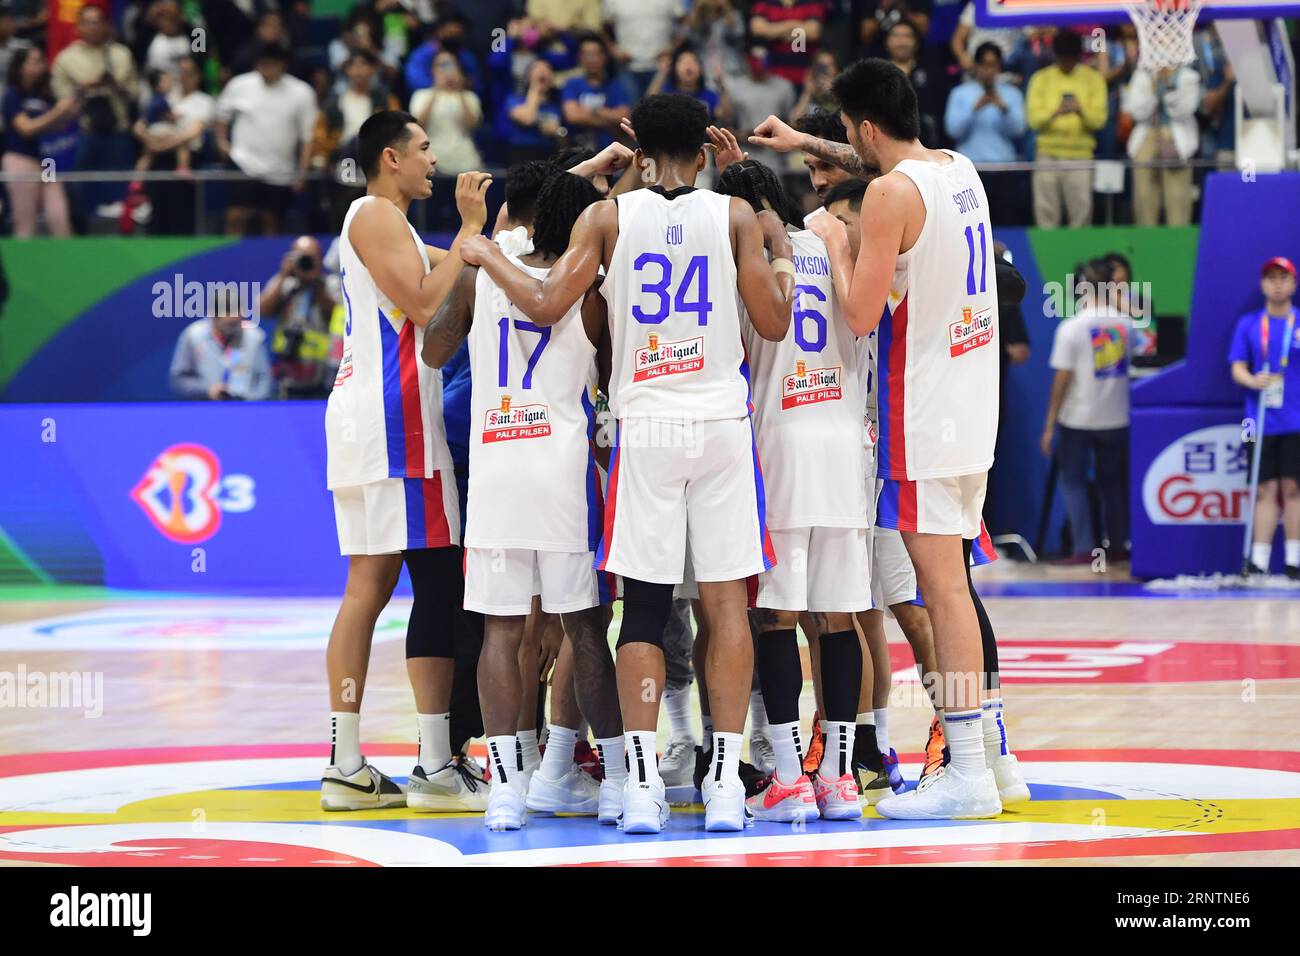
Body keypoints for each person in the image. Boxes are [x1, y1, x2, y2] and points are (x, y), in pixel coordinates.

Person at [459, 93, 797, 833]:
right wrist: (776, 250)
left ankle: (639, 788)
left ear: (638, 150)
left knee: (641, 609)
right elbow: (773, 324)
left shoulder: (608, 218)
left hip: (645, 428)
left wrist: (484, 249)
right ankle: (725, 790)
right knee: (726, 606)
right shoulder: (732, 216)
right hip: (719, 425)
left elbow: (547, 303)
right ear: (706, 154)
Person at [750, 58, 1007, 819]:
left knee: (944, 594)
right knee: (950, 587)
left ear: (863, 127)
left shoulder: (889, 197)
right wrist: (806, 138)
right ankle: (978, 759)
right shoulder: (960, 169)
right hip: (972, 406)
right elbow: (884, 164)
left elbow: (860, 314)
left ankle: (966, 770)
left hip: (922, 414)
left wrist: (830, 239)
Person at [422, 166, 621, 831]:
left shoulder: (482, 274)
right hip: (563, 476)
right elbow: (612, 384)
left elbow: (434, 346)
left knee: (502, 630)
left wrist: (472, 247)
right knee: (584, 629)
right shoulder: (590, 294)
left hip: (497, 469)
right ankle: (620, 780)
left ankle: (508, 786)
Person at [319, 109, 492, 813]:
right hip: (398, 424)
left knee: (371, 586)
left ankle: (346, 765)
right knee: (438, 584)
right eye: (424, 149)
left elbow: (432, 282)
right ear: (390, 157)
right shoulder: (375, 216)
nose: (433, 159)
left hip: (370, 419)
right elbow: (426, 303)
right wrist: (471, 233)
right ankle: (433, 767)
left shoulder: (387, 223)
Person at [715, 159, 868, 823]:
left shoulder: (745, 259)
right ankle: (838, 779)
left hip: (780, 449)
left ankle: (785, 776)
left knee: (776, 618)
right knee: (837, 620)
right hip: (847, 452)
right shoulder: (837, 242)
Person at [1041, 258, 1133, 561]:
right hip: (1117, 417)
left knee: (1074, 483)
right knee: (1114, 484)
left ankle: (1083, 548)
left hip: (1078, 418)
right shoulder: (1126, 325)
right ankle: (1119, 545)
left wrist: (1050, 424)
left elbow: (1061, 379)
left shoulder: (1072, 327)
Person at [1230, 257, 1300, 578]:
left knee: (1293, 488)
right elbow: (1237, 366)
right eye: (1271, 278)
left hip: (1295, 418)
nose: (1277, 284)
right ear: (1262, 284)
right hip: (1254, 420)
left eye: (1283, 278)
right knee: (1262, 488)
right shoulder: (1249, 324)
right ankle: (1258, 560)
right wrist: (1251, 380)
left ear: (1293, 284)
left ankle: (1293, 561)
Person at [215, 42, 317, 236]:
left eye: (270, 64)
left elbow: (307, 136)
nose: (265, 69)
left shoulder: (302, 92)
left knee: (272, 222)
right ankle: (229, 263)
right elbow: (221, 115)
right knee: (235, 217)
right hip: (243, 163)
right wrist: (221, 141)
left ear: (282, 64)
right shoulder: (239, 85)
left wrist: (302, 173)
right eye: (261, 64)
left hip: (280, 170)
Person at [50, 4, 138, 221]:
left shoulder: (120, 54)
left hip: (118, 131)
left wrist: (115, 85)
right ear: (78, 27)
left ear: (106, 25)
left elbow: (135, 96)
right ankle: (81, 236)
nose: (93, 27)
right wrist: (84, 88)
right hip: (83, 132)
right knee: (79, 190)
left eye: (97, 22)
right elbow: (60, 100)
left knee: (121, 192)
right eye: (87, 22)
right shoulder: (66, 58)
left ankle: (124, 237)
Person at [1026, 30, 1107, 228]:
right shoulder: (1040, 79)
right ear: (1055, 55)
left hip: (1081, 157)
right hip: (1047, 155)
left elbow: (1100, 120)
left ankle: (1080, 257)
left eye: (1070, 59)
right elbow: (1033, 120)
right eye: (1062, 59)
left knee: (1082, 215)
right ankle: (1045, 256)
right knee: (1046, 215)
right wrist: (1055, 112)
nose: (1066, 63)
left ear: (1078, 56)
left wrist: (1081, 110)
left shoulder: (1093, 78)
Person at [944, 42, 1026, 224]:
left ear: (999, 66)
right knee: (971, 224)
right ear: (976, 65)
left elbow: (1019, 130)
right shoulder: (960, 93)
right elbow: (953, 131)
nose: (988, 70)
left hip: (1004, 168)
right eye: (984, 64)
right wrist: (974, 109)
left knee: (1005, 223)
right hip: (970, 170)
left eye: (993, 65)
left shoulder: (1012, 94)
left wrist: (1004, 109)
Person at [2, 46, 75, 237]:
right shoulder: (12, 95)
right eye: (34, 61)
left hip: (47, 161)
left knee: (58, 214)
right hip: (20, 159)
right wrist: (57, 113)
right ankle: (22, 264)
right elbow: (25, 129)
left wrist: (68, 111)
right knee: (25, 220)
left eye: (42, 61)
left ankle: (68, 259)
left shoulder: (41, 94)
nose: (40, 65)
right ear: (20, 67)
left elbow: (53, 127)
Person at [259, 236, 339, 399]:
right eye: (301, 257)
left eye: (311, 257)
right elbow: (263, 310)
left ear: (320, 259)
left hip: (323, 378)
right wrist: (283, 275)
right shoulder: (285, 284)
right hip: (287, 377)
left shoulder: (330, 284)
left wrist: (315, 281)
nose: (306, 262)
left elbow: (335, 312)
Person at [1124, 65, 1200, 227]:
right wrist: (1153, 91)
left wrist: (1169, 86)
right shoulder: (1142, 74)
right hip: (1146, 136)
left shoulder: (1189, 76)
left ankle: (1179, 244)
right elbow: (1136, 111)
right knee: (1144, 199)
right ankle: (1145, 243)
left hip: (1176, 139)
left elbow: (1185, 110)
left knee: (1177, 200)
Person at [169, 295, 273, 401]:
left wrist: (248, 403)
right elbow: (179, 379)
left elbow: (265, 381)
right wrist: (207, 390)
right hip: (206, 409)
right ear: (213, 317)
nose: (234, 330)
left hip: (246, 410)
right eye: (229, 325)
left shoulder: (255, 337)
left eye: (237, 323)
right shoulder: (193, 336)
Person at [409, 50, 483, 175]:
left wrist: (460, 89)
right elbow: (418, 125)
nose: (446, 70)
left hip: (466, 162)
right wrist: (437, 89)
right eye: (442, 65)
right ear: (433, 70)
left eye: (450, 65)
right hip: (432, 162)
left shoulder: (469, 97)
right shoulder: (421, 95)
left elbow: (473, 125)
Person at [561, 33, 629, 154]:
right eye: (586, 55)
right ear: (580, 57)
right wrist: (608, 120)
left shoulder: (615, 85)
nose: (591, 59)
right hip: (577, 152)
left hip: (609, 152)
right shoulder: (572, 84)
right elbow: (572, 116)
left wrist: (592, 111)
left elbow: (623, 116)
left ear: (604, 57)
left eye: (596, 54)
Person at [503, 58, 567, 164]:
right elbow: (527, 119)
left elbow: (565, 143)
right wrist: (535, 85)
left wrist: (557, 132)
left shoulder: (556, 105)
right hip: (522, 153)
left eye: (547, 69)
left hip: (549, 154)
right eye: (537, 69)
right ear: (528, 76)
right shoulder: (515, 100)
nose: (542, 71)